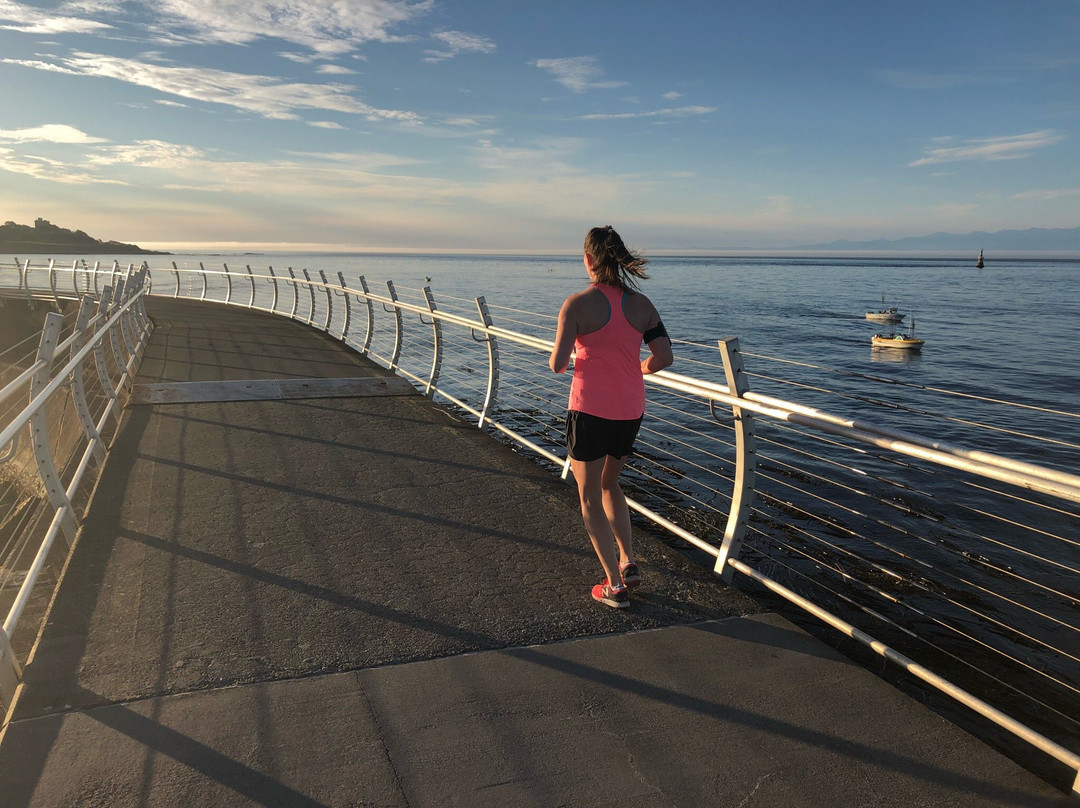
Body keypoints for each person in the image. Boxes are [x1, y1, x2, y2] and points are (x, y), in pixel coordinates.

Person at [549, 226, 674, 608]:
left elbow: (557, 364)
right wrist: (639, 367)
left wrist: (577, 355)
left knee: (588, 497)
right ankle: (629, 562)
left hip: (589, 411)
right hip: (629, 411)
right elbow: (664, 357)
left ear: (588, 259)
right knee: (610, 484)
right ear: (620, 259)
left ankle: (615, 585)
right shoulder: (643, 305)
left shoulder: (576, 304)